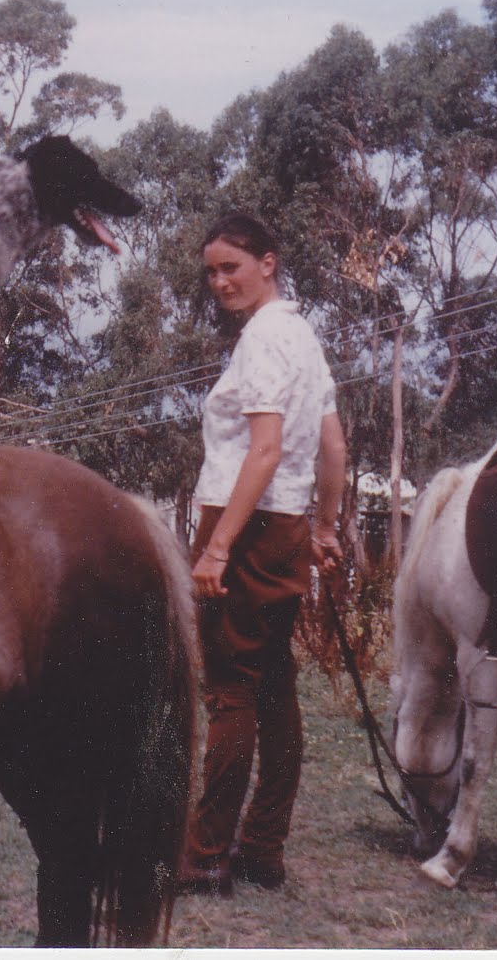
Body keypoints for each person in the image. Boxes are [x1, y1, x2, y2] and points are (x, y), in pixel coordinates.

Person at [176, 212, 347, 896]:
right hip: (286, 527)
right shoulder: (303, 336)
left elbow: (266, 449)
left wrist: (217, 549)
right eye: (212, 273)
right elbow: (331, 447)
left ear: (268, 263)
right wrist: (325, 528)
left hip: (241, 527)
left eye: (231, 268)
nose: (220, 282)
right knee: (273, 684)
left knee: (230, 691)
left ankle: (207, 852)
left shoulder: (265, 340)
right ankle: (265, 848)